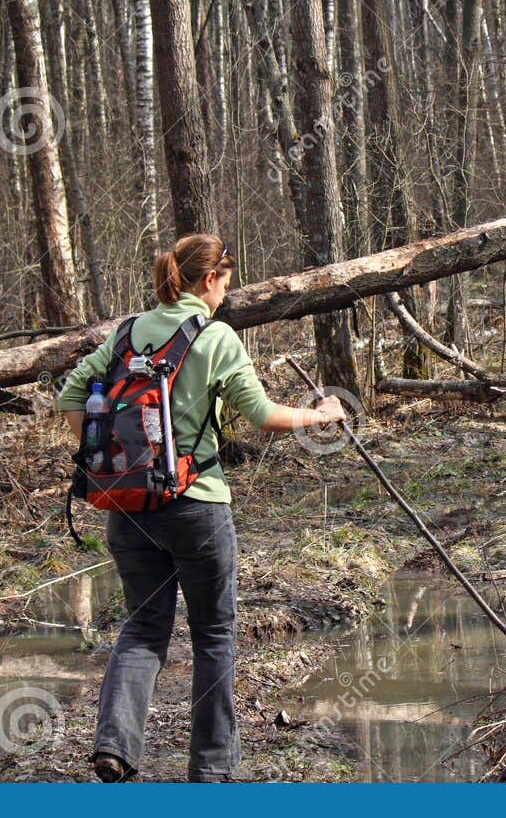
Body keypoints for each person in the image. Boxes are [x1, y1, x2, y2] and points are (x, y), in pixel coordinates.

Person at [57, 232, 348, 782]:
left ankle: (115, 747)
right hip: (197, 506)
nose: (223, 299)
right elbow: (261, 415)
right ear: (209, 280)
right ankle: (212, 767)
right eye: (224, 287)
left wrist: (110, 461)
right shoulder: (216, 338)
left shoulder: (127, 333)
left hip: (127, 507)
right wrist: (322, 415)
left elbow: (71, 395)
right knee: (214, 633)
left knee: (143, 630)